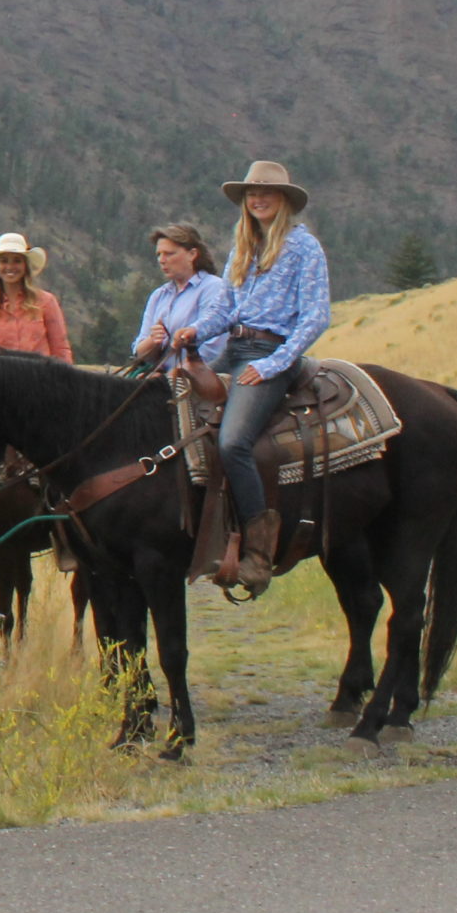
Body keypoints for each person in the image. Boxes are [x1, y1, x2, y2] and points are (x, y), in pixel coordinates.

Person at [214, 161, 331, 597]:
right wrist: (188, 333)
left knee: (233, 443)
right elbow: (224, 310)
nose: (257, 199)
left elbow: (316, 314)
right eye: (250, 193)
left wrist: (276, 362)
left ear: (284, 200)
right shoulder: (243, 247)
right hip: (233, 349)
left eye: (265, 192)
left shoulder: (304, 247)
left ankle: (259, 550)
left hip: (269, 353)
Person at [132, 222, 233, 374]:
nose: (162, 260)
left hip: (195, 382)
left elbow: (213, 348)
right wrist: (153, 341)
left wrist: (175, 375)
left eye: (169, 254)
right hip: (159, 379)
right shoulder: (159, 296)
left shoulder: (213, 288)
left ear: (192, 254)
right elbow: (140, 353)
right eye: (159, 254)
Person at [0, 232, 72, 361]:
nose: (10, 267)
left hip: (41, 378)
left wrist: (64, 378)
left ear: (25, 266)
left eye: (17, 261)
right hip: (2, 379)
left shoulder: (46, 302)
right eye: (4, 261)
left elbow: (60, 349)